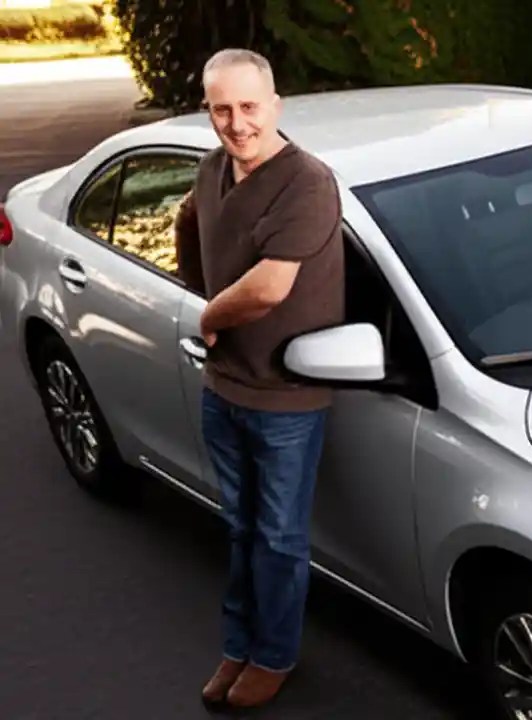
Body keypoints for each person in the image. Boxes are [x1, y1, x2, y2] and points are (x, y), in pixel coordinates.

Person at [174, 48, 345, 709]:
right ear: (208, 111)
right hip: (223, 389)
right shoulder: (213, 168)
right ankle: (239, 644)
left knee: (277, 536)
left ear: (274, 105)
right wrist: (199, 287)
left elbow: (271, 287)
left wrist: (208, 315)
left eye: (249, 106)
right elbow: (190, 224)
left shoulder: (308, 182)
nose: (237, 122)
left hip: (285, 400)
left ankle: (274, 655)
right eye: (222, 108)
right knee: (240, 528)